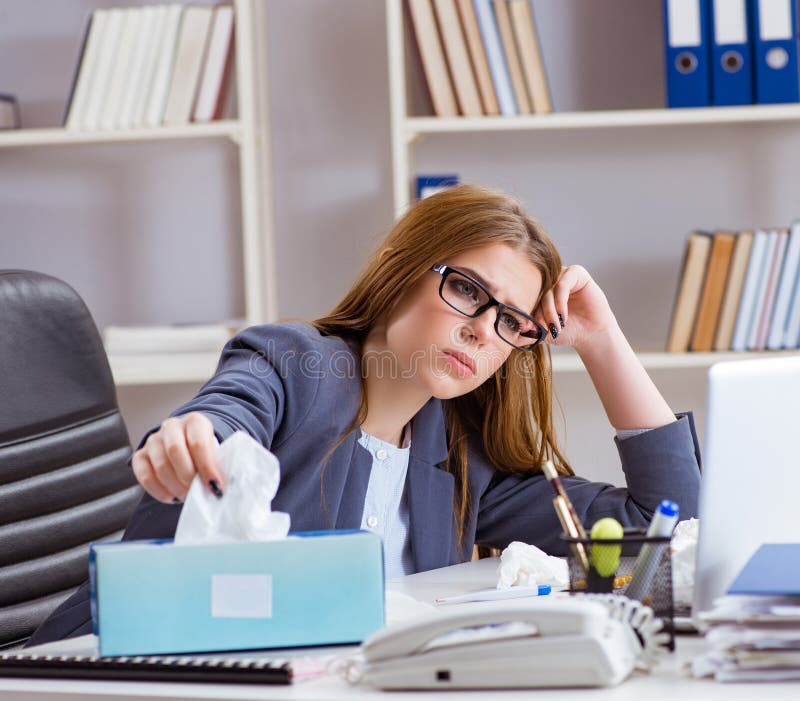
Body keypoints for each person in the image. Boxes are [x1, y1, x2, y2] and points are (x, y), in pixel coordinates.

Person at [29, 184, 701, 644]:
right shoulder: (296, 364)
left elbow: (667, 525)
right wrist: (194, 435)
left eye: (513, 323)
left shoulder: (464, 462)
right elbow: (228, 412)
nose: (481, 332)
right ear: (395, 268)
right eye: (467, 289)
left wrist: (603, 340)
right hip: (98, 670)